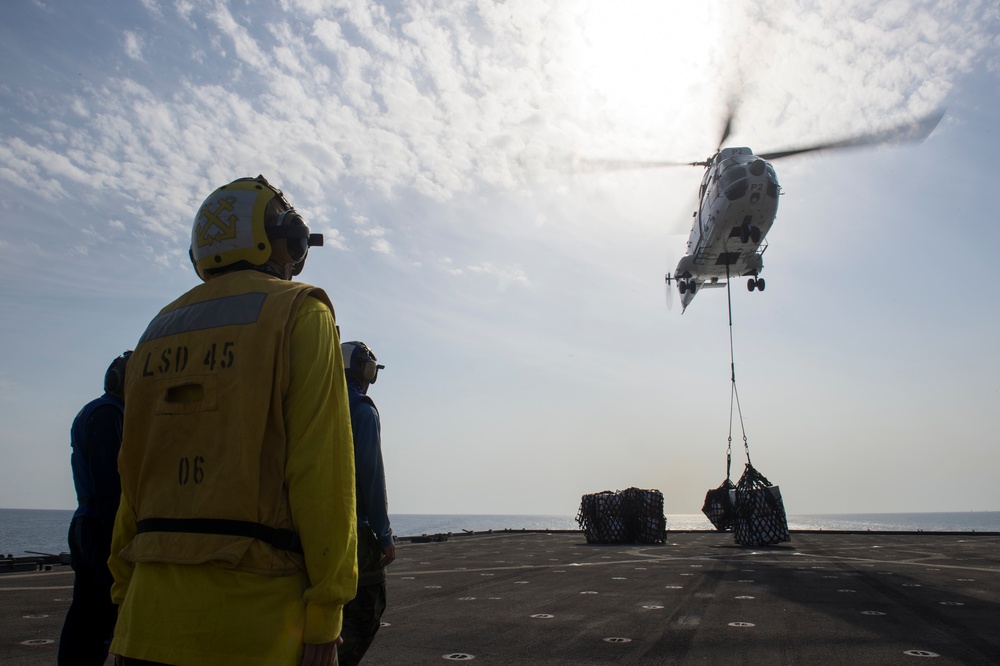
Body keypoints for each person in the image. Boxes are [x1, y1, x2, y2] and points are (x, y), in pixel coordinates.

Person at [108, 175, 358, 666]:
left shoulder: (155, 333)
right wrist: (327, 610)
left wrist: (124, 601)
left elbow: (132, 476)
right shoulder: (298, 314)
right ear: (283, 239)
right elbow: (323, 473)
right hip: (257, 627)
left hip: (146, 620)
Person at [58, 351, 131, 666]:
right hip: (100, 526)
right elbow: (110, 485)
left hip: (88, 523)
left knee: (87, 617)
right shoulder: (108, 413)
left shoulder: (99, 411)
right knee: (102, 617)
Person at [337, 341, 394, 666]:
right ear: (363, 368)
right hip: (355, 534)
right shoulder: (362, 409)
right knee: (365, 615)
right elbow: (371, 477)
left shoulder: (316, 403)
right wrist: (384, 537)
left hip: (312, 532)